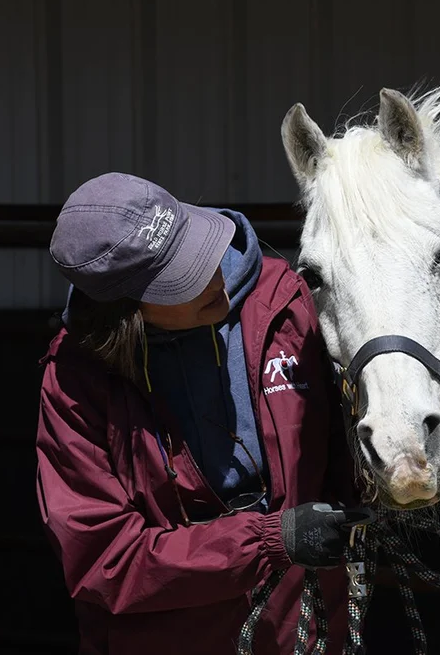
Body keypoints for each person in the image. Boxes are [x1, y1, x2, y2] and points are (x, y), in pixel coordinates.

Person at [35, 172, 362, 655]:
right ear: (127, 314)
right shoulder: (74, 383)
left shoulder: (283, 300)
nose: (214, 275)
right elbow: (107, 559)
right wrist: (271, 540)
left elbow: (338, 448)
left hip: (306, 627)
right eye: (181, 280)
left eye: (200, 248)